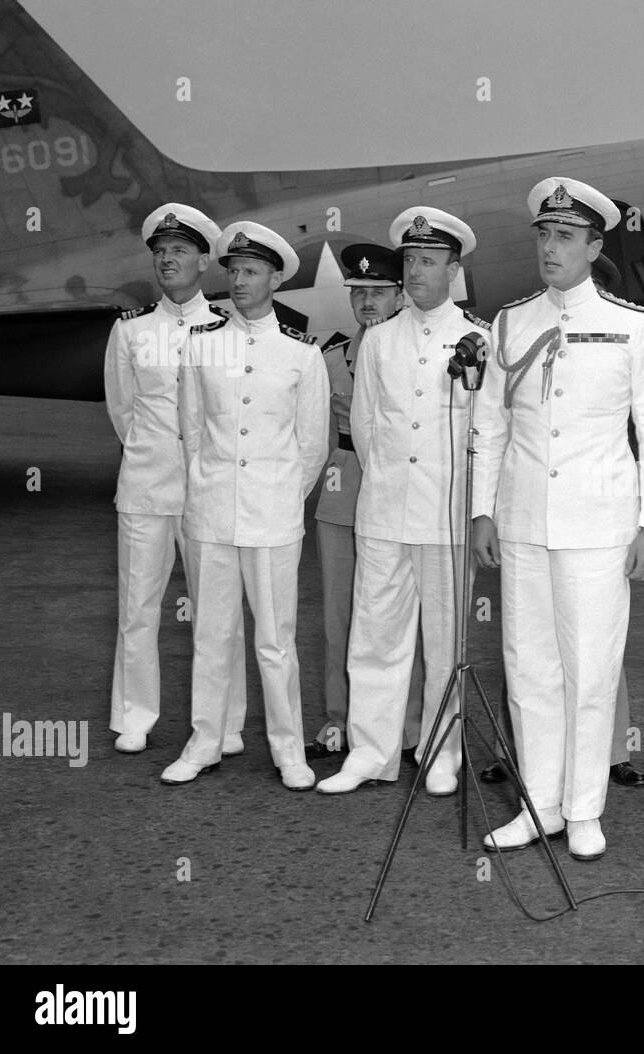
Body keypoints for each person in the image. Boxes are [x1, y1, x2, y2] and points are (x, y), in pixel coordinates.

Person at [472, 177, 644, 861]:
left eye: (565, 237)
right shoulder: (511, 322)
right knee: (527, 668)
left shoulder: (629, 324)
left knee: (589, 670)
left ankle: (584, 809)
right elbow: (490, 425)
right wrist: (481, 510)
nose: (550, 248)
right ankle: (539, 805)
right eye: (543, 235)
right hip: (524, 520)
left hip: (598, 525)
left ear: (593, 245)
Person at [316, 208, 485, 796]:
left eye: (428, 261)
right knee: (375, 636)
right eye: (410, 260)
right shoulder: (380, 341)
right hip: (384, 511)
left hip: (445, 514)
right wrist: (390, 485)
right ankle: (370, 752)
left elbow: (488, 433)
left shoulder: (479, 340)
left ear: (453, 269)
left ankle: (441, 751)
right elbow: (364, 428)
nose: (415, 272)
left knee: (445, 642)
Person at [162, 221, 329, 791]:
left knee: (277, 641)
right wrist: (208, 490)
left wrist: (281, 498)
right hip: (211, 512)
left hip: (274, 517)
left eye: (251, 272)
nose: (238, 281)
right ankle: (205, 740)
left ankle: (288, 749)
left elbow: (312, 446)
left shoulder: (302, 356)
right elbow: (190, 432)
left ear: (275, 278)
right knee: (211, 635)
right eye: (232, 271)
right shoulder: (201, 344)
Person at [104, 203, 246, 756]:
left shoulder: (229, 330)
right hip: (146, 486)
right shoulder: (132, 330)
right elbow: (123, 411)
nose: (168, 260)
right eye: (161, 252)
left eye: (180, 251)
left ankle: (226, 722)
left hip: (208, 491)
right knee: (138, 606)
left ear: (205, 261)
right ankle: (135, 716)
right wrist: (153, 455)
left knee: (217, 612)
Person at [307, 243, 425, 760]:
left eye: (378, 292)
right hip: (344, 488)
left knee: (406, 616)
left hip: (402, 487)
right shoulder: (332, 359)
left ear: (400, 294)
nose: (368, 303)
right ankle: (342, 720)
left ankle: (414, 726)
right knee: (341, 616)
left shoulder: (416, 352)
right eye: (359, 294)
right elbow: (316, 435)